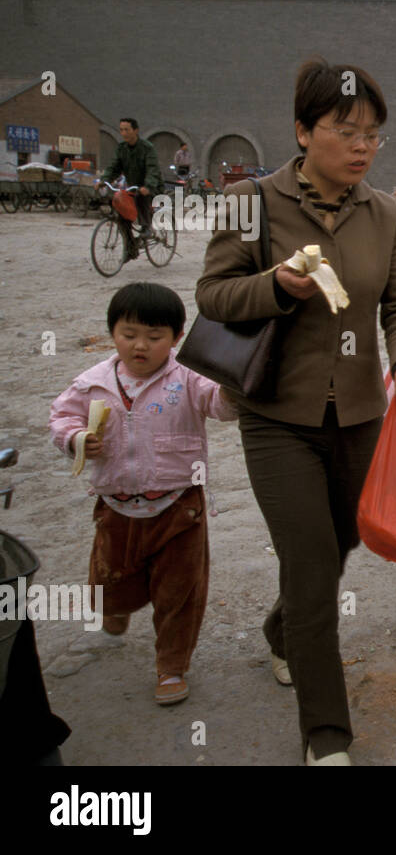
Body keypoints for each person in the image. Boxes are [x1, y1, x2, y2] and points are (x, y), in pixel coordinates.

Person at [196, 58, 396, 765]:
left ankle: (281, 630)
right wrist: (276, 284)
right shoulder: (250, 200)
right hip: (276, 413)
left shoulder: (386, 212)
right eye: (345, 130)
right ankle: (327, 734)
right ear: (303, 131)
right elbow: (212, 295)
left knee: (339, 545)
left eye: (373, 135)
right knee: (310, 559)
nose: (362, 146)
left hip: (359, 411)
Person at [49, 282, 238, 706]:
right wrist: (76, 438)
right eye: (128, 334)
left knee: (180, 592)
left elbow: (221, 407)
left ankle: (171, 667)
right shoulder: (92, 383)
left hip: (179, 507)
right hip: (116, 505)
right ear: (112, 332)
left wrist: (234, 386)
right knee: (111, 579)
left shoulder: (188, 378)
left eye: (155, 337)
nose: (140, 346)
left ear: (176, 338)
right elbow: (60, 417)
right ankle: (115, 610)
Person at [102, 118, 163, 252]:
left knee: (141, 197)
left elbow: (152, 169)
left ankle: (146, 227)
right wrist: (104, 180)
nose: (124, 133)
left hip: (152, 186)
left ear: (135, 130)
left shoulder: (147, 148)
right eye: (121, 130)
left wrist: (148, 186)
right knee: (122, 213)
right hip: (133, 186)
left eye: (127, 130)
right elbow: (114, 167)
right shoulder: (121, 149)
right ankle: (131, 248)